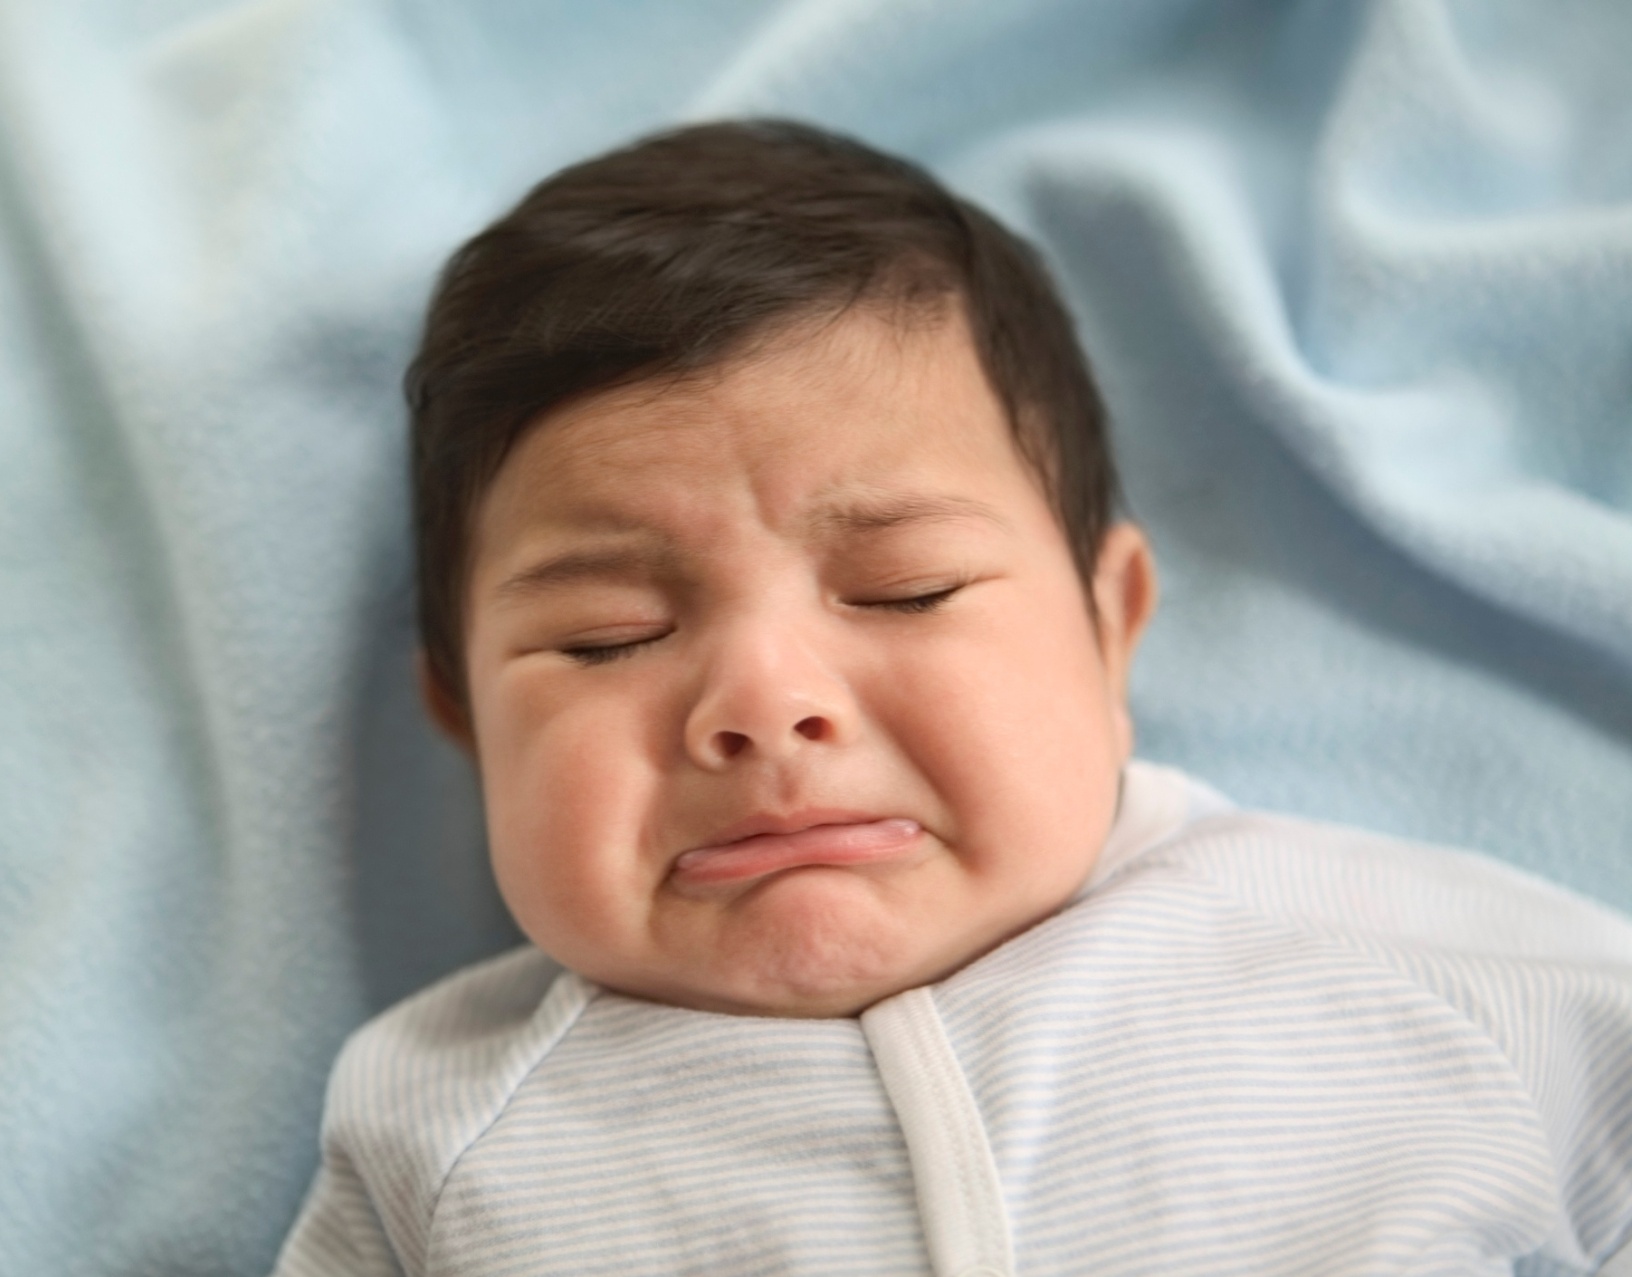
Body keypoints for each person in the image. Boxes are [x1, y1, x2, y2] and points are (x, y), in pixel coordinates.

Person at [273, 120, 1632, 1276]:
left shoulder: (1408, 960)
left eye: (905, 587)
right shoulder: (438, 1127)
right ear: (461, 718)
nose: (762, 702)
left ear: (1111, 629)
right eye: (607, 634)